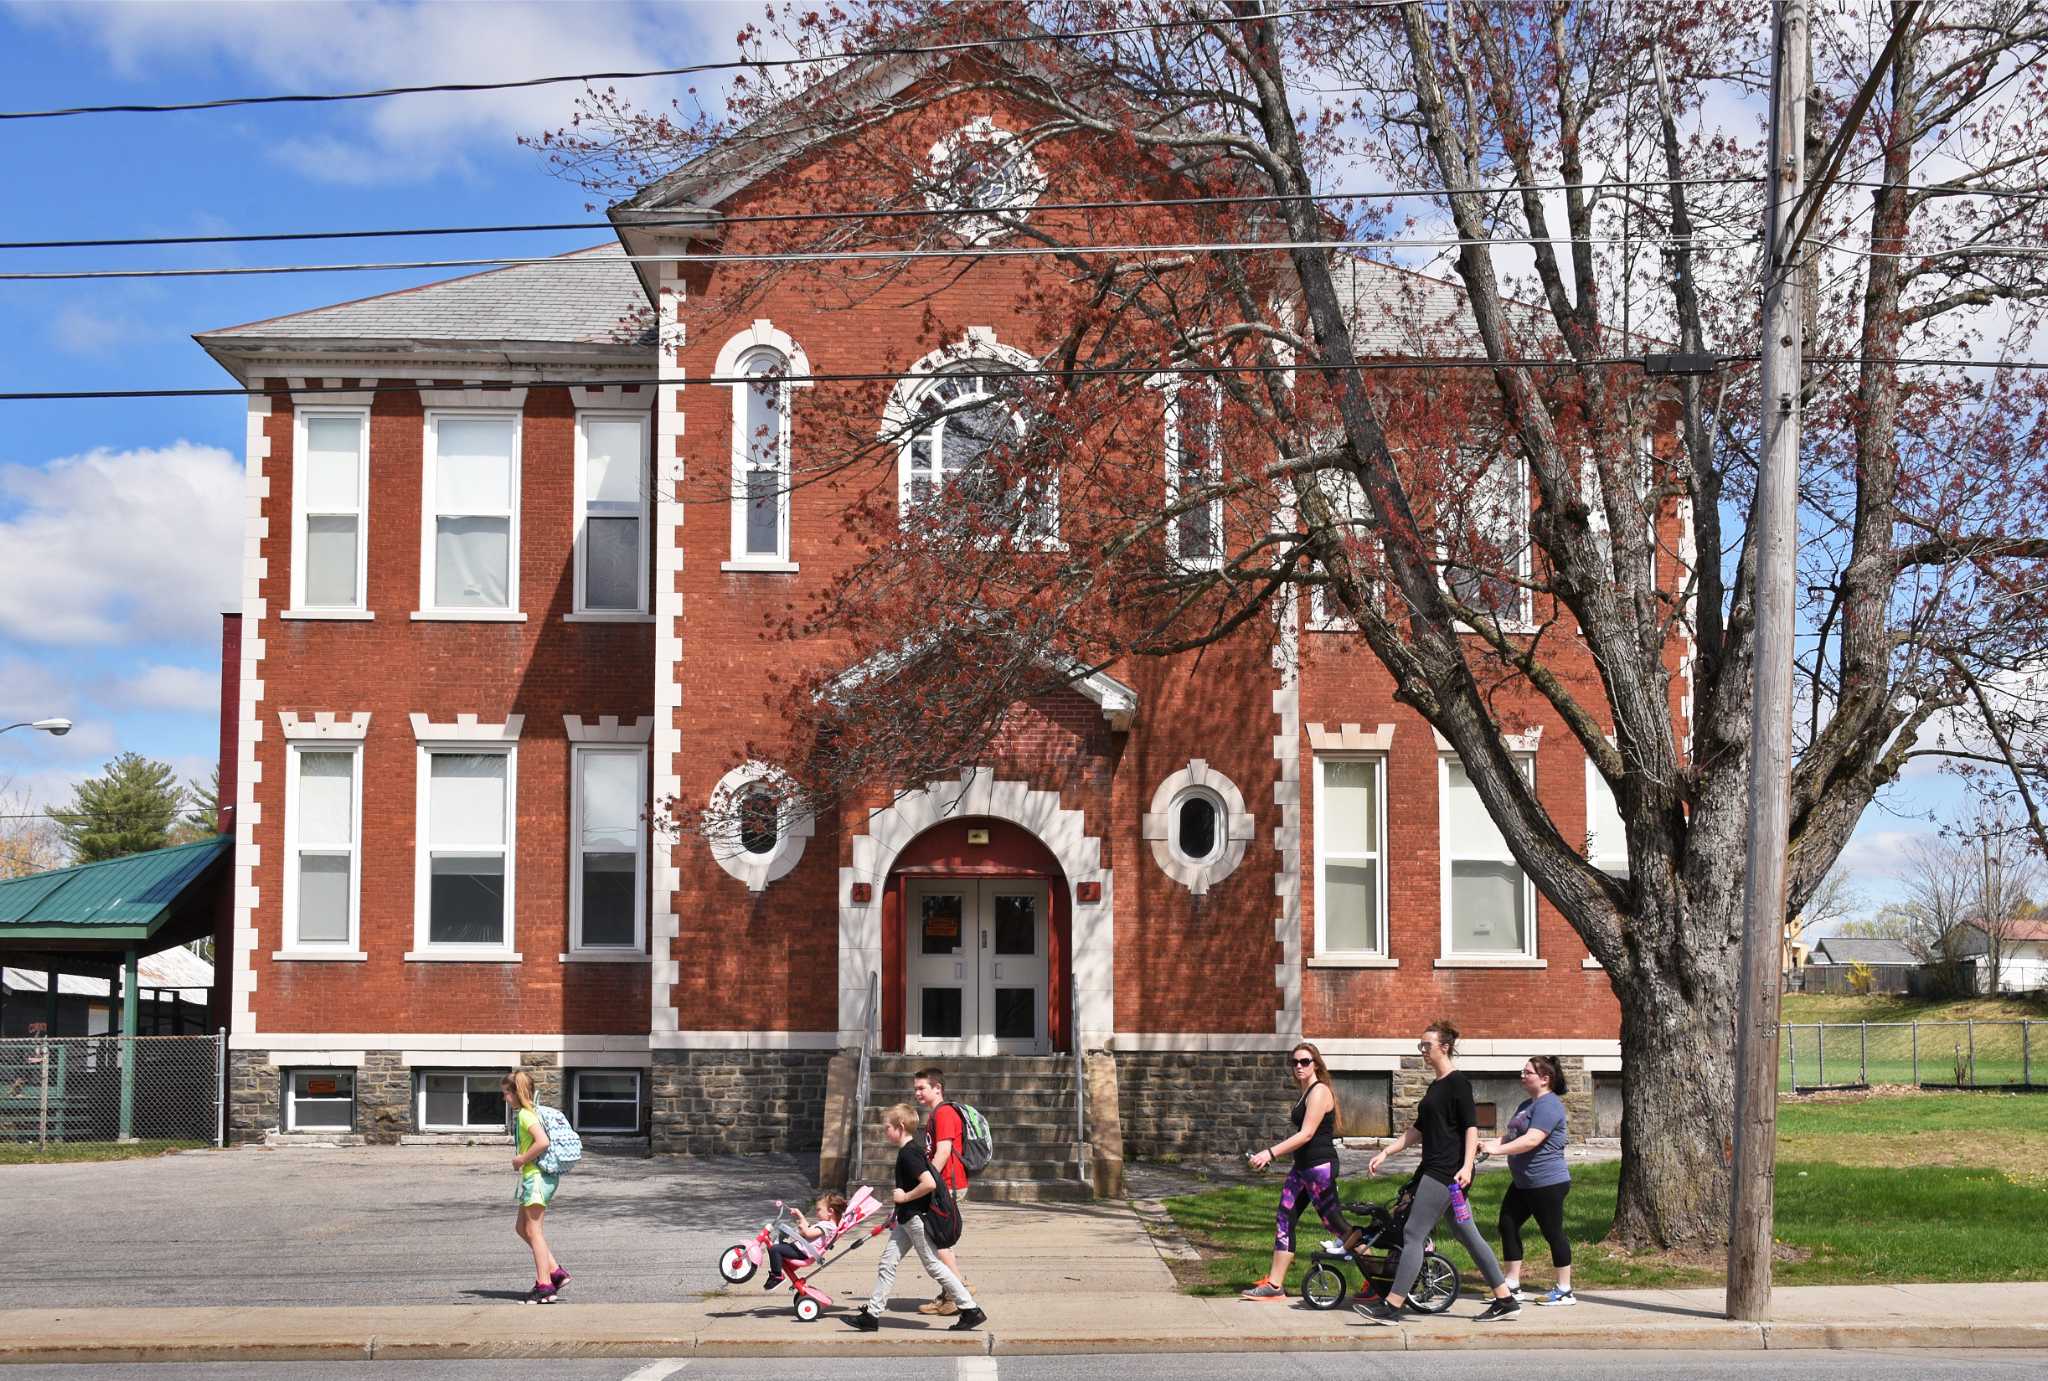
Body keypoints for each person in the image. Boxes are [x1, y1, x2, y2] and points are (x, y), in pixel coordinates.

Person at [1354, 1021, 1519, 1325]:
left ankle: (1393, 1305)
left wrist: (1467, 1166)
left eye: (1426, 1046)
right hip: (1436, 1169)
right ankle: (1505, 1299)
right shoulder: (1436, 1086)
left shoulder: (1458, 1084)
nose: (1422, 1051)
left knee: (1413, 1233)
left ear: (1444, 1047)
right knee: (1467, 1234)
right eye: (1420, 1046)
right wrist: (1386, 1152)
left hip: (1446, 1172)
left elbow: (1471, 1128)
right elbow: (1419, 1129)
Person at [842, 1103, 986, 1332]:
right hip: (906, 1218)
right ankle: (871, 1315)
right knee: (887, 1263)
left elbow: (928, 1184)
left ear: (899, 1127)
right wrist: (896, 1212)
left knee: (933, 1265)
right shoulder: (911, 1151)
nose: (884, 1131)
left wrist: (904, 1197)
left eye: (887, 1127)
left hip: (916, 1219)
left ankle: (970, 1309)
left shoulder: (909, 1154)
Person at [1240, 1042, 1364, 1300]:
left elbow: (1306, 1134)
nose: (1299, 1066)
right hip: (1302, 1168)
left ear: (1315, 1063)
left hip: (1319, 1169)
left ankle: (1380, 1278)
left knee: (1337, 1225)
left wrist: (1270, 1153)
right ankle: (1274, 1286)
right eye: (1295, 1062)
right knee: (1285, 1219)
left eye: (1305, 1061)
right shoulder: (1306, 1092)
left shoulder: (1319, 1092)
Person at [1483, 1055, 1575, 1306]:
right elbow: (1512, 1136)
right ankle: (1512, 1284)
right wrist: (1486, 1144)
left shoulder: (1550, 1105)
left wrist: (1498, 1151)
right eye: (1522, 1072)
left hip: (1547, 1183)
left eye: (1528, 1073)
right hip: (1524, 1181)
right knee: (1507, 1225)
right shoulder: (1527, 1104)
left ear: (1545, 1079)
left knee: (1552, 1232)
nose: (1522, 1076)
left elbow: (1532, 1140)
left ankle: (1565, 1289)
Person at [911, 1066, 973, 1316]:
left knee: (938, 1244)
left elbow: (943, 1152)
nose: (917, 1093)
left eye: (921, 1088)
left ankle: (959, 1292)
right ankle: (951, 1294)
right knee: (940, 1242)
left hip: (946, 1185)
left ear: (938, 1088)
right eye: (915, 1088)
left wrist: (928, 1183)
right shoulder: (936, 1114)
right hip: (944, 1184)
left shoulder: (944, 1114)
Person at [503, 1069, 568, 1305]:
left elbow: (543, 1142)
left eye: (506, 1094)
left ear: (516, 1093)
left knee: (534, 1232)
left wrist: (521, 1159)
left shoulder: (525, 1116)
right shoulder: (532, 1112)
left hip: (537, 1178)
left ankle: (544, 1285)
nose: (505, 1099)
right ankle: (556, 1272)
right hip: (536, 1178)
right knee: (522, 1228)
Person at [763, 1192, 850, 1289]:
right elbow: (809, 1229)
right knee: (776, 1245)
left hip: (802, 1252)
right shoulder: (826, 1224)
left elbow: (808, 1233)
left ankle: (777, 1276)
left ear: (830, 1211)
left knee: (774, 1249)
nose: (816, 1213)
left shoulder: (829, 1226)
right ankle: (779, 1268)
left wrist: (802, 1228)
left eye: (818, 1210)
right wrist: (800, 1215)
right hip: (800, 1249)